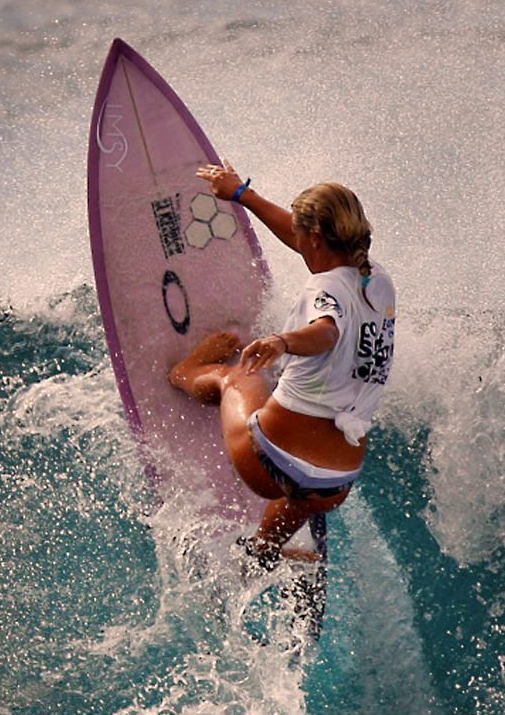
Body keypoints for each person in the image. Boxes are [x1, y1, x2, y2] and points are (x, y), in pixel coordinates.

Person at [169, 160, 396, 565]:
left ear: (314, 239)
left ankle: (186, 373)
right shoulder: (377, 280)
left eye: (299, 234)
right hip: (334, 484)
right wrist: (243, 195)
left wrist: (282, 341)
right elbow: (304, 244)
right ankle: (264, 548)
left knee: (239, 378)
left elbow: (327, 331)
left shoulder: (323, 286)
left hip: (268, 462)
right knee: (305, 493)